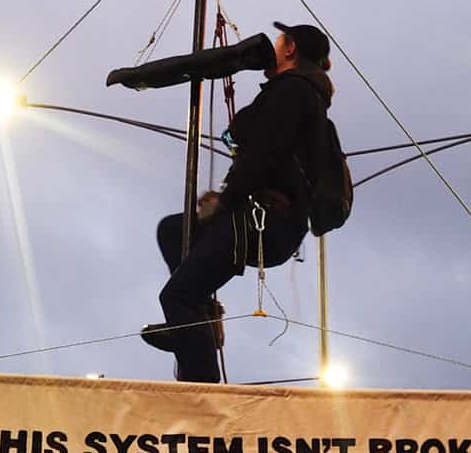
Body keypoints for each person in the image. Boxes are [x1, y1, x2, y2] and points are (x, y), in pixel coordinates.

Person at [143, 21, 335, 382]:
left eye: (279, 43)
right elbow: (247, 137)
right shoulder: (293, 94)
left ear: (290, 49)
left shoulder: (293, 91)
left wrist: (226, 200)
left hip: (265, 218)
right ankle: (201, 321)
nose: (274, 48)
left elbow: (263, 153)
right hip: (267, 218)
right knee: (174, 231)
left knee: (178, 296)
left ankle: (202, 386)